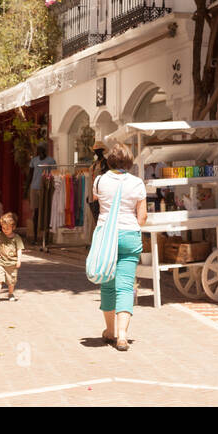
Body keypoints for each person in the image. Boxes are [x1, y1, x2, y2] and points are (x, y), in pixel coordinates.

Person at [93, 140, 147, 351]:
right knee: (125, 286)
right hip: (129, 236)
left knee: (107, 283)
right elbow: (141, 217)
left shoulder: (99, 181)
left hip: (106, 235)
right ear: (130, 161)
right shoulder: (137, 183)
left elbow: (98, 203)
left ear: (110, 160)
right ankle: (123, 336)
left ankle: (110, 331)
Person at [28, 142, 55, 244]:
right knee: (36, 212)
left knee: (46, 211)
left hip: (46, 188)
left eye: (42, 149)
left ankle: (46, 237)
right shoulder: (34, 161)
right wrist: (27, 189)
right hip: (34, 188)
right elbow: (30, 175)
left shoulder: (51, 161)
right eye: (39, 149)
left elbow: (54, 175)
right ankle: (35, 237)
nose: (40, 151)